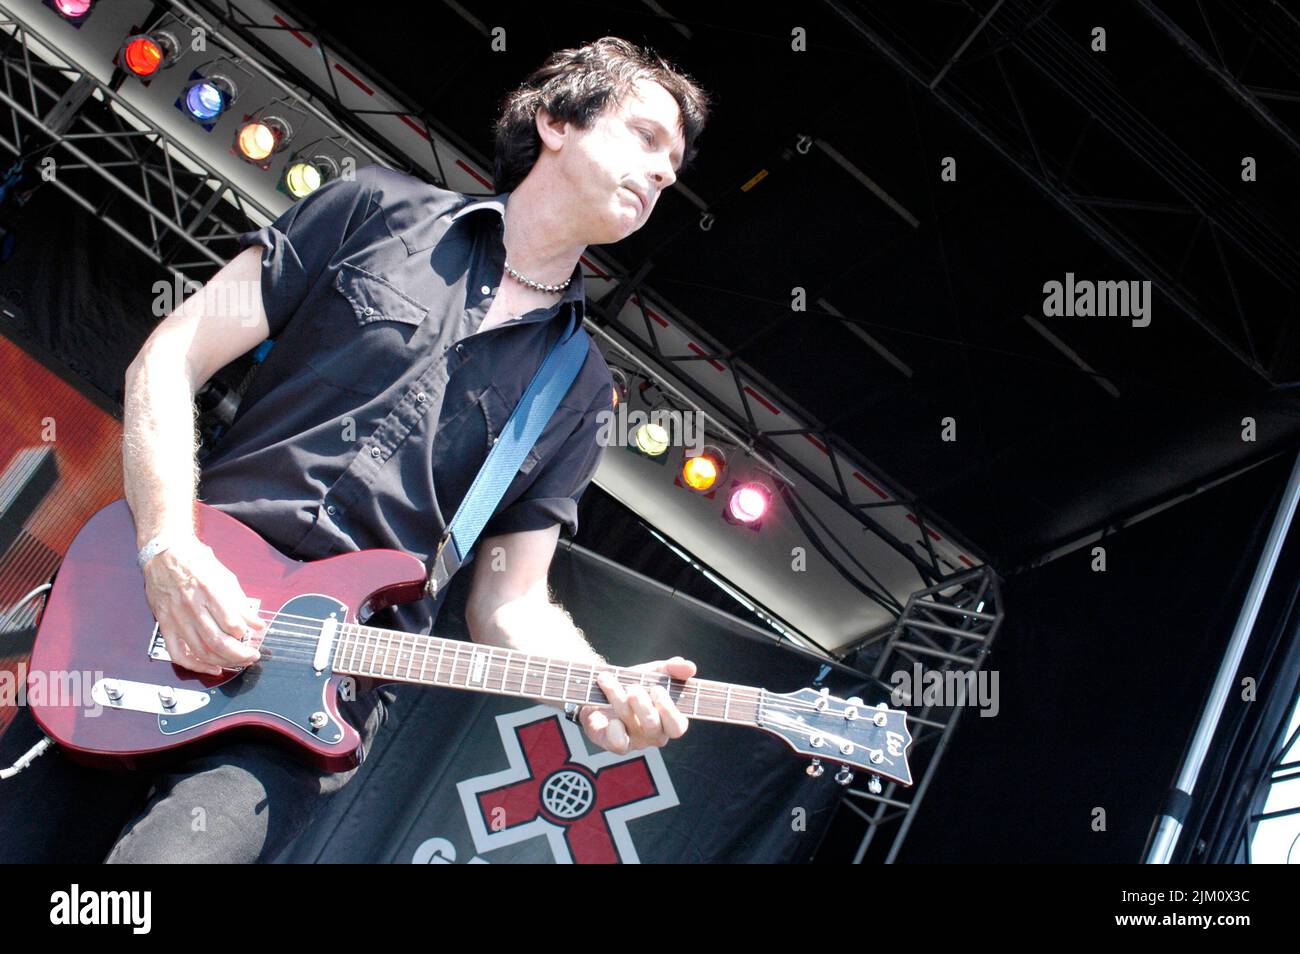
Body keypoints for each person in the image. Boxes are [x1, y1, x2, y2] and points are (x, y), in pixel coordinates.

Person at [1, 36, 712, 864]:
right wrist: (166, 551)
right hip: (157, 608)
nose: (663, 172)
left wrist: (601, 686)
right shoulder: (373, 210)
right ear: (556, 121)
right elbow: (170, 356)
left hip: (307, 707)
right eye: (645, 137)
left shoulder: (580, 388)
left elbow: (508, 601)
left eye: (674, 166)